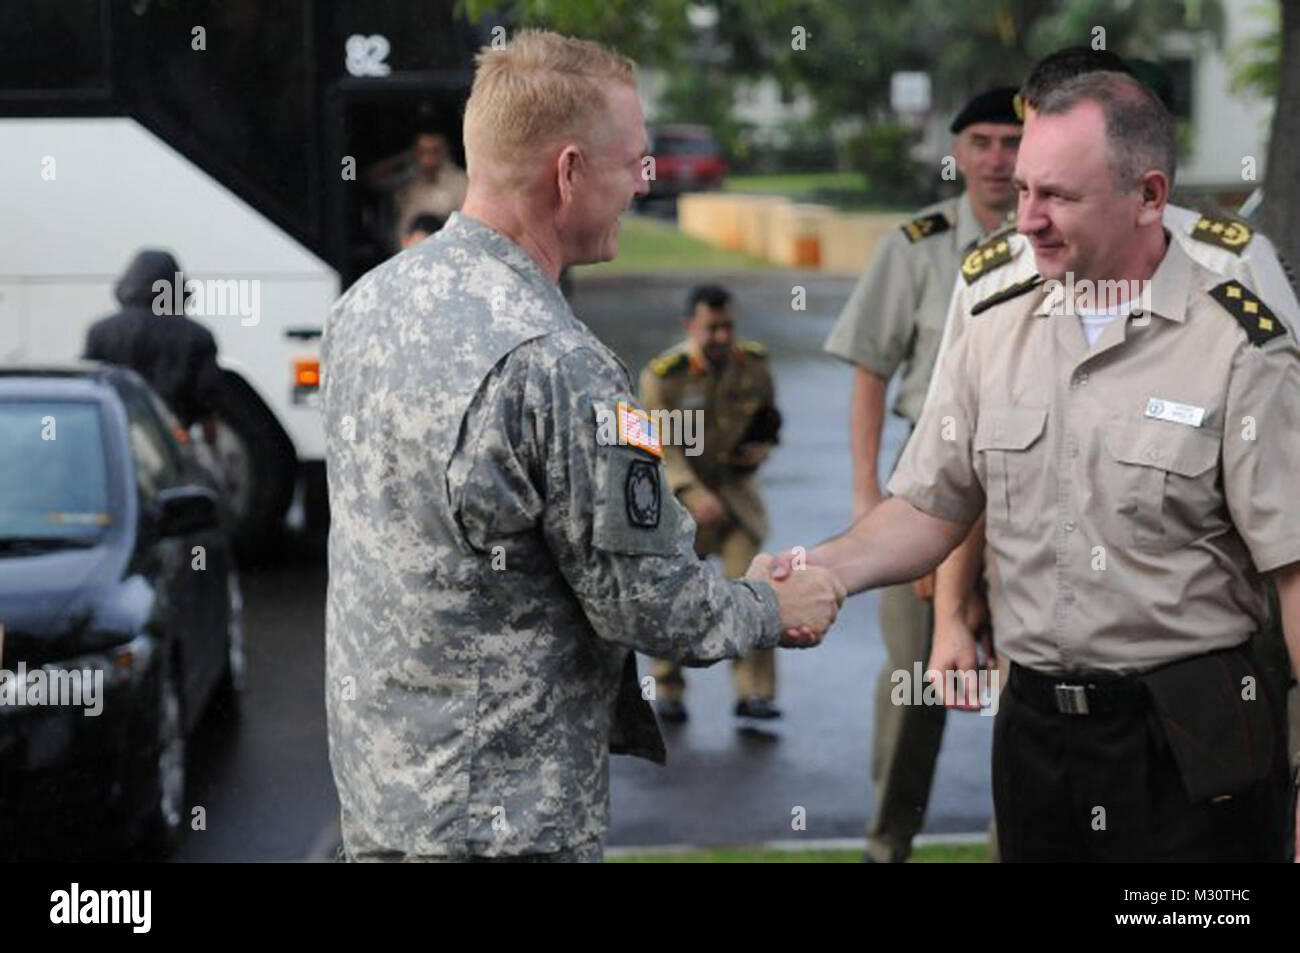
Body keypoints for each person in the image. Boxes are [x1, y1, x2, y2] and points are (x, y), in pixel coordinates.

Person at [322, 30, 844, 864]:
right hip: (504, 820)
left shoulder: (366, 305)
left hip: (386, 799)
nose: (643, 184)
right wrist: (774, 608)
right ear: (567, 173)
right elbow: (649, 602)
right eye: (632, 162)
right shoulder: (559, 364)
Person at [778, 70, 1300, 862]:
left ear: (1149, 195)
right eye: (1021, 189)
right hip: (1036, 736)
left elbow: (1295, 568)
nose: (1026, 220)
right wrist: (821, 568)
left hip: (1193, 738)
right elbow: (930, 502)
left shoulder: (1236, 341)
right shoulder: (993, 312)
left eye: (1057, 196)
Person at [926, 49, 1300, 857]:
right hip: (1042, 696)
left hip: (1194, 696)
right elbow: (963, 469)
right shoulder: (994, 282)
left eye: (1058, 182)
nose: (1029, 208)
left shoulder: (1230, 271)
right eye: (1028, 171)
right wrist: (952, 613)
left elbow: (1284, 507)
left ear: (1141, 180)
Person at [821, 86, 1021, 863]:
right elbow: (871, 370)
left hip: (1020, 484)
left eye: (1014, 141)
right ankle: (886, 844)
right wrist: (869, 494)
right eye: (984, 142)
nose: (1000, 159)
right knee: (915, 679)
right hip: (925, 480)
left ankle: (1020, 846)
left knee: (1028, 686)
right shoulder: (917, 244)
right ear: (959, 152)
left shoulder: (1062, 238)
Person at [639, 284, 783, 723]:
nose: (722, 336)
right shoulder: (665, 376)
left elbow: (768, 423)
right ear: (690, 327)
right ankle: (668, 687)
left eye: (728, 326)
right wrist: (692, 493)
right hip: (684, 504)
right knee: (677, 594)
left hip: (737, 500)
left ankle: (754, 693)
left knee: (752, 590)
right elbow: (659, 446)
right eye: (712, 328)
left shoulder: (753, 367)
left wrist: (760, 450)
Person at [83, 249, 223, 445]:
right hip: (173, 444)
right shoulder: (198, 337)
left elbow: (89, 388)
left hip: (117, 438)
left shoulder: (101, 332)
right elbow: (207, 404)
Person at [364, 128, 468, 248]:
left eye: (435, 151)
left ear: (446, 151)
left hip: (442, 250)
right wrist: (403, 157)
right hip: (401, 253)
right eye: (423, 151)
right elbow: (369, 180)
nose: (429, 158)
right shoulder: (406, 179)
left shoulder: (460, 181)